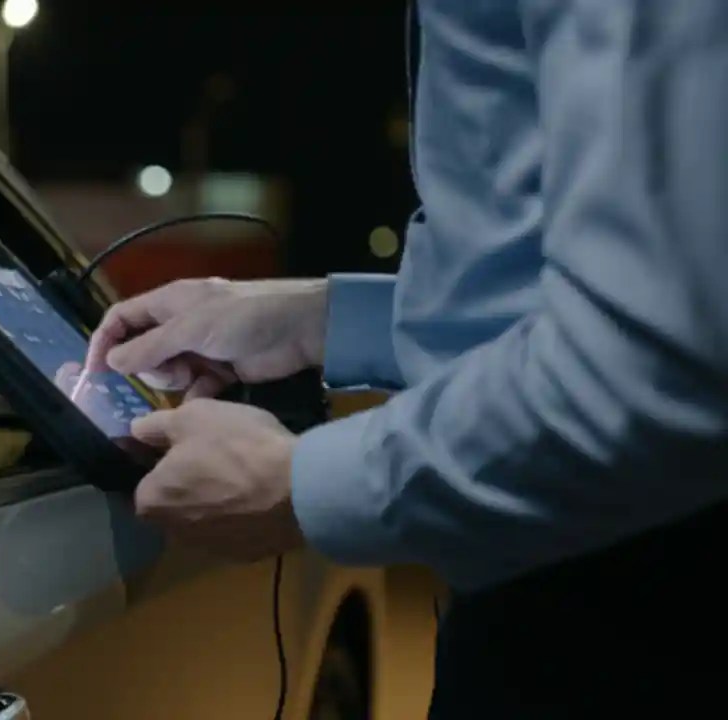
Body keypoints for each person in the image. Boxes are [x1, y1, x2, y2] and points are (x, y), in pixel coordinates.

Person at [83, 2, 728, 717]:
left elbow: (660, 355)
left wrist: (303, 483)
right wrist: (325, 319)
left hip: (641, 609)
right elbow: (577, 289)